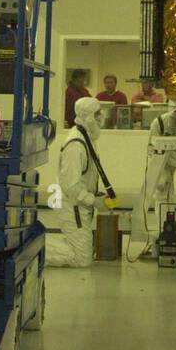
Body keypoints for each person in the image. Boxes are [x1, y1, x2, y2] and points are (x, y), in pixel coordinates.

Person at [46, 97, 109, 269]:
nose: (101, 117)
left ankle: (65, 242)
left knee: (82, 249)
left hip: (79, 204)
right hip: (71, 205)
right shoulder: (76, 145)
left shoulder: (87, 137)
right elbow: (71, 185)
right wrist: (92, 200)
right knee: (81, 259)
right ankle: (37, 248)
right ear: (87, 116)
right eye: (97, 114)